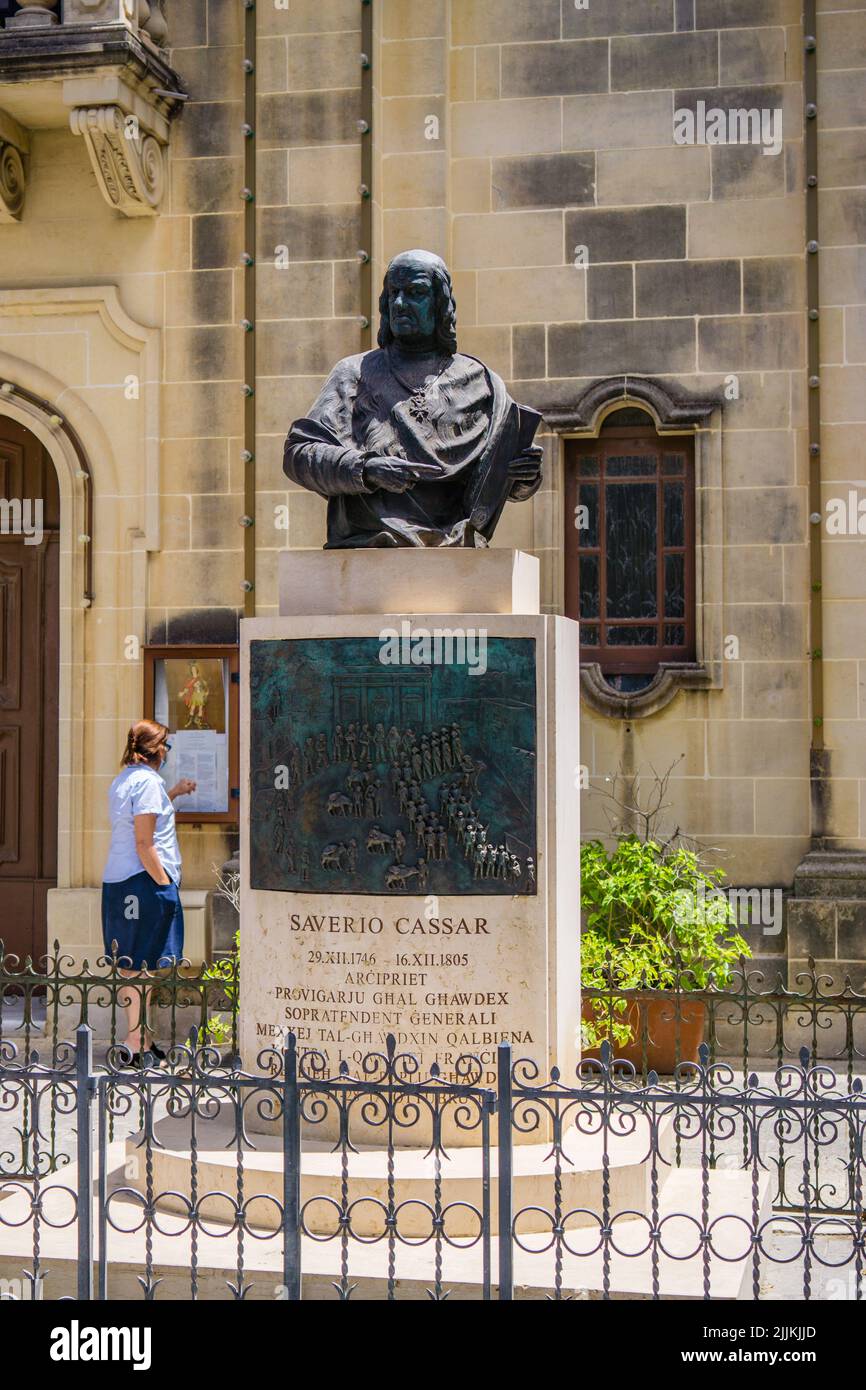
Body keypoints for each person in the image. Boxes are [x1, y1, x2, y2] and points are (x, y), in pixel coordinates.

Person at [101, 720, 196, 1067]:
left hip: (121, 881)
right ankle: (135, 1042)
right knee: (141, 966)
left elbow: (141, 821)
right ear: (156, 749)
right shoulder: (147, 783)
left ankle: (142, 1036)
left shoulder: (125, 779)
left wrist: (172, 795)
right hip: (143, 882)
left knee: (132, 964)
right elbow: (144, 842)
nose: (168, 753)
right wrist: (164, 883)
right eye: (166, 746)